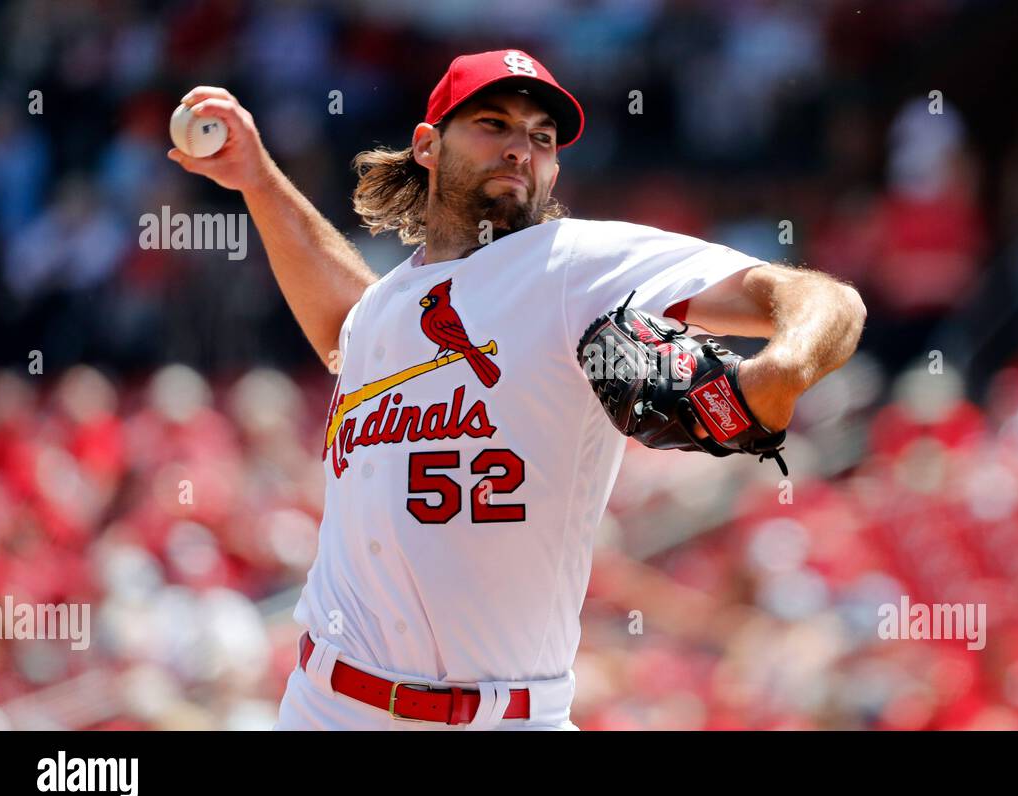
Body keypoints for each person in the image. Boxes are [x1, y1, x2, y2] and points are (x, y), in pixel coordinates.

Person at [169, 49, 866, 730]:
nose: (519, 148)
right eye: (492, 123)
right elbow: (342, 330)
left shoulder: (572, 267)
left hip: (506, 715)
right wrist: (257, 179)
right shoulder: (387, 307)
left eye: (541, 137)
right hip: (326, 704)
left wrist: (778, 373)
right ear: (427, 145)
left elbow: (821, 299)